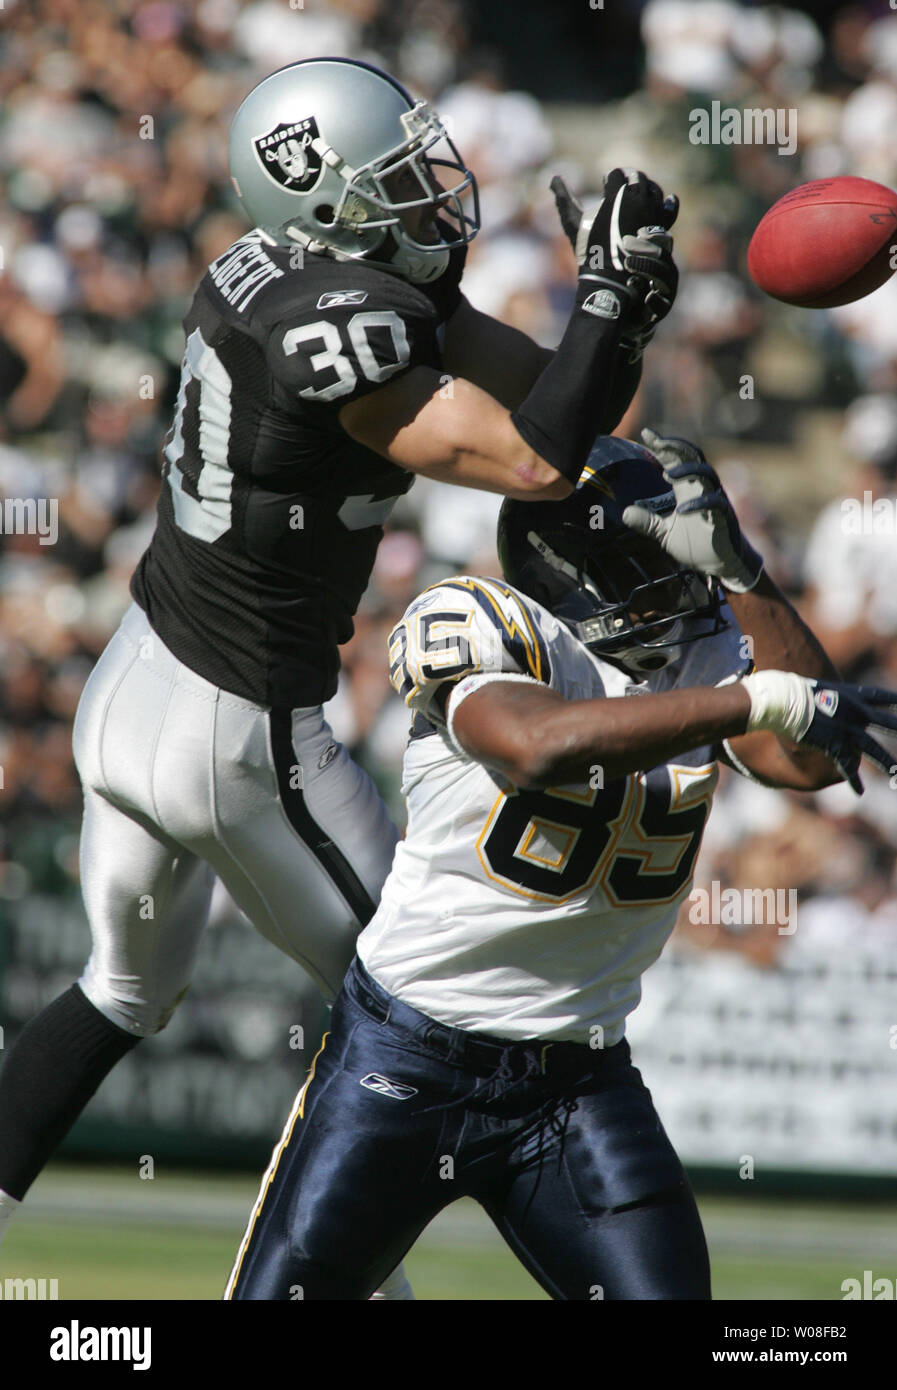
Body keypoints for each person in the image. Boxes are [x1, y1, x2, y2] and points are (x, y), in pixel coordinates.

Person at [0, 56, 679, 1298]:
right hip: (237, 730)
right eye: (397, 181)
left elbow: (562, 411)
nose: (433, 193)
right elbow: (535, 465)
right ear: (323, 205)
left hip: (134, 684)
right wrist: (605, 308)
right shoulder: (342, 322)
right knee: (422, 1016)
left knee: (121, 989)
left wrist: (612, 318)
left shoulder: (291, 271)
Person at [225, 430, 897, 1300]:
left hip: (576, 1078)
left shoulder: (700, 649)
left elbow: (808, 763)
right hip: (405, 1059)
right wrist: (749, 697)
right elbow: (537, 748)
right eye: (649, 557)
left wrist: (745, 576)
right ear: (576, 561)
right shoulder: (474, 618)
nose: (677, 584)